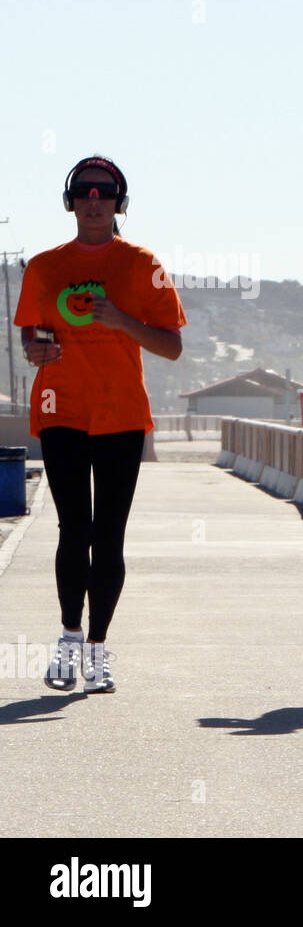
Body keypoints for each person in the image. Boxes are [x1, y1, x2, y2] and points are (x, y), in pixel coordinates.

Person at [15, 155, 186, 694]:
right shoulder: (43, 266)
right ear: (70, 201)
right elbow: (29, 337)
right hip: (61, 408)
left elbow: (173, 347)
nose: (94, 200)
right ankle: (68, 640)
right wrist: (35, 349)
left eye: (105, 192)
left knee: (109, 537)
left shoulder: (143, 264)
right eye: (85, 191)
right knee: (74, 529)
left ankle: (97, 648)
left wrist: (120, 320)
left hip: (120, 415)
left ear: (119, 203)